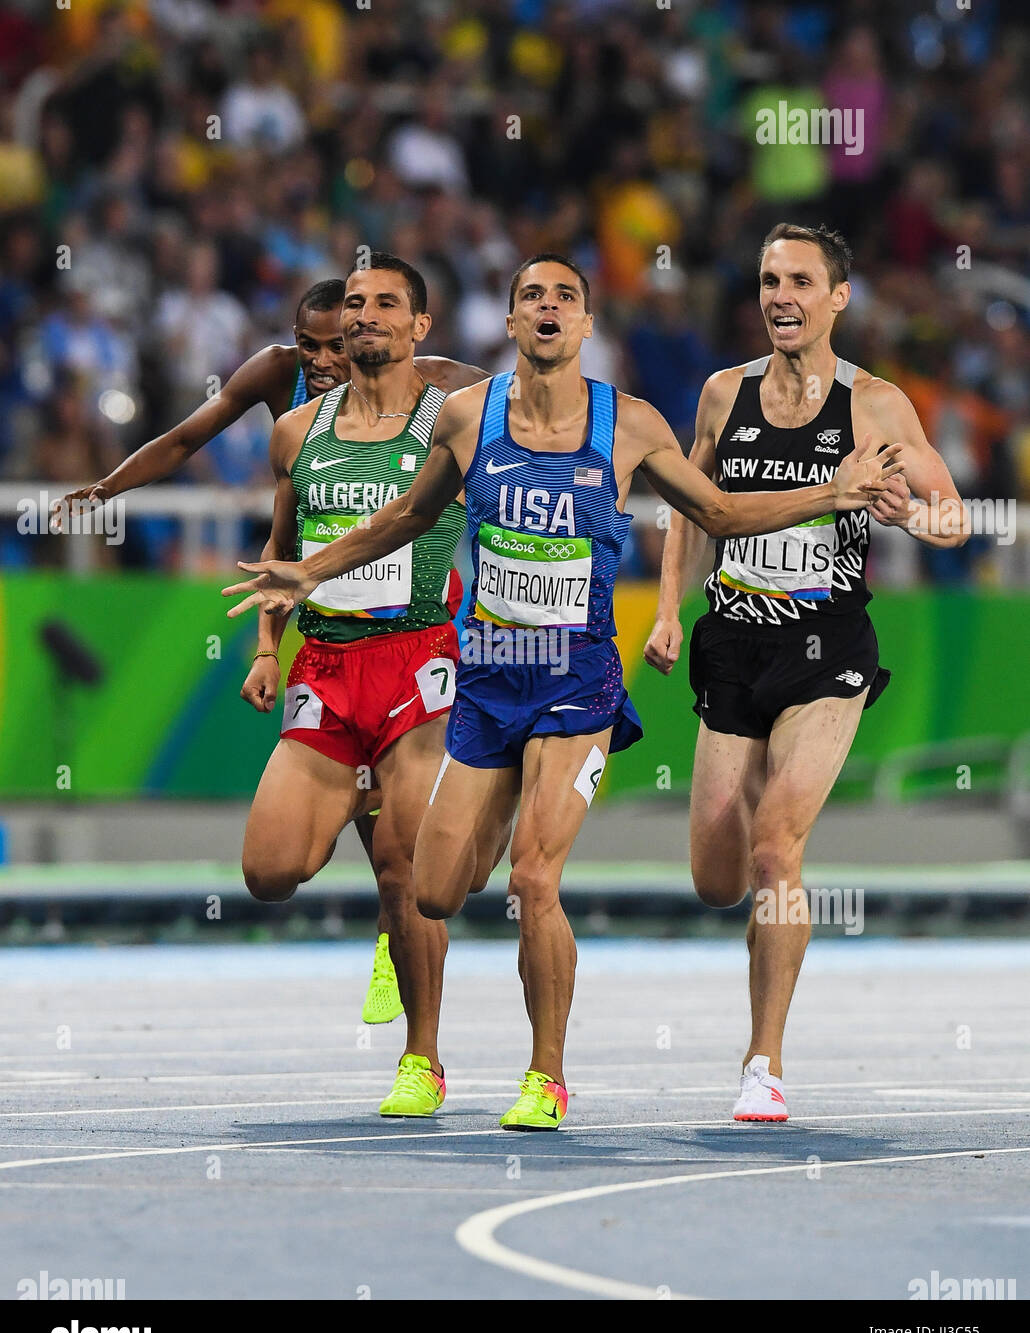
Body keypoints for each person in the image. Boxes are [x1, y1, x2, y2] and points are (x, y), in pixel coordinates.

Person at [223, 253, 902, 1130]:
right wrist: (308, 572)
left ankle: (545, 1074)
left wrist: (831, 493)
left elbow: (723, 517)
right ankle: (495, 814)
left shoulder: (632, 425)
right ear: (509, 324)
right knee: (432, 891)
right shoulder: (468, 418)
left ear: (586, 327)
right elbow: (406, 519)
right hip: (488, 684)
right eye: (530, 297)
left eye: (565, 298)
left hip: (577, 684)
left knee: (533, 883)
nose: (547, 308)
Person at [55, 275, 485, 1025]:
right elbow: (195, 444)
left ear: (414, 326)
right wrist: (111, 486)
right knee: (279, 867)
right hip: (325, 631)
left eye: (351, 330)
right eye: (316, 343)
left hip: (414, 631)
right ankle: (400, 845)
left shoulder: (447, 393)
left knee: (400, 864)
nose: (326, 358)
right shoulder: (281, 395)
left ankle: (412, 983)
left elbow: (531, 415)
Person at [643, 224, 969, 1122]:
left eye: (799, 282)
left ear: (838, 298)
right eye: (768, 281)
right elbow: (688, 507)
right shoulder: (722, 395)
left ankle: (764, 1061)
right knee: (717, 875)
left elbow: (954, 517)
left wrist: (908, 516)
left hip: (826, 647)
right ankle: (755, 871)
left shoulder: (876, 407)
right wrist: (671, 608)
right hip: (733, 638)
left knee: (778, 844)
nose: (780, 296)